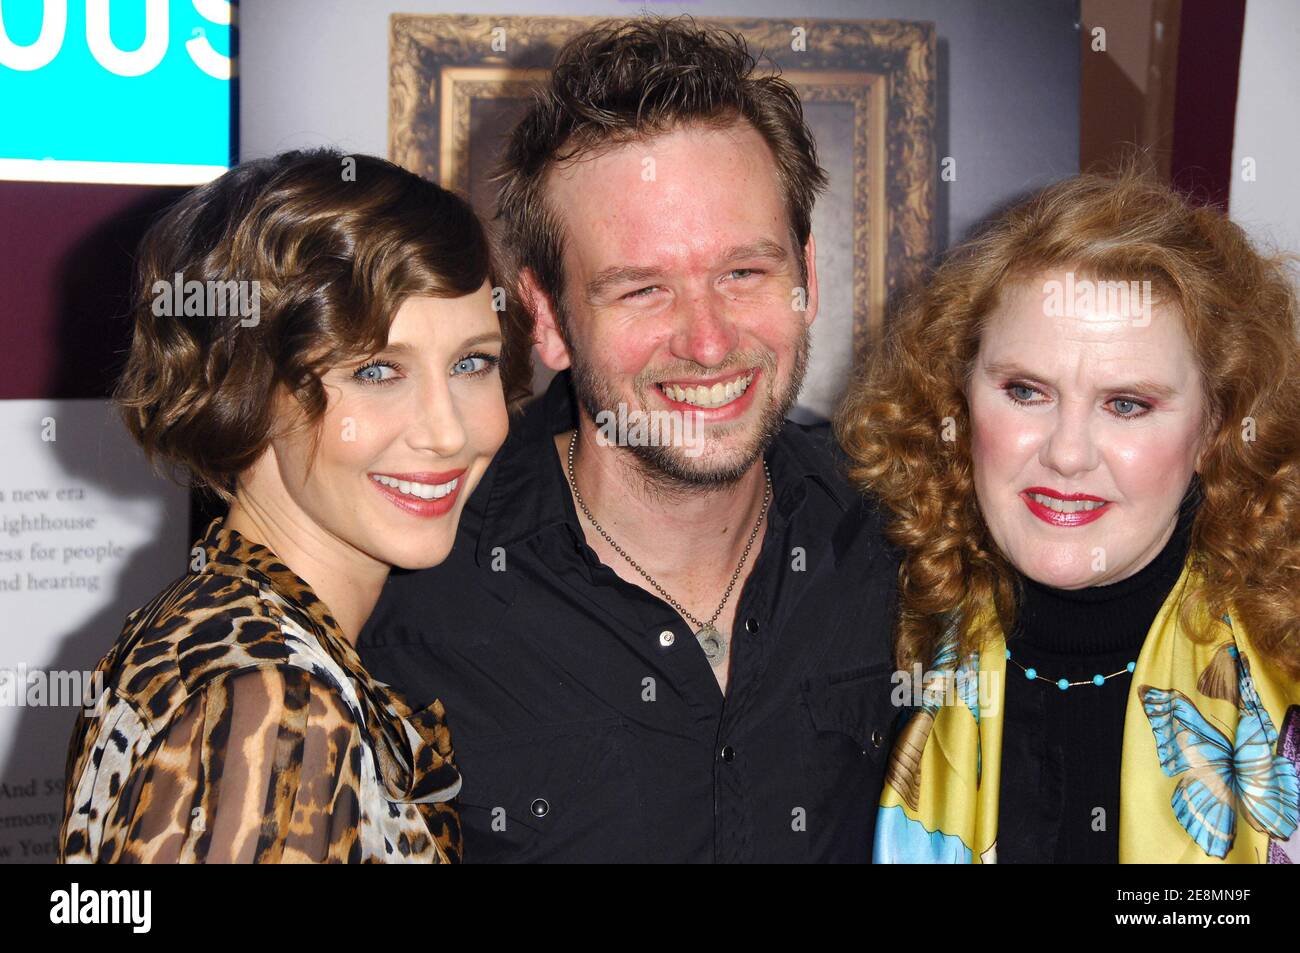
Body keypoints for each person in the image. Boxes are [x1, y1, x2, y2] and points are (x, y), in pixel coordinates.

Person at [356, 17, 901, 862]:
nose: (709, 341)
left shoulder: (901, 536)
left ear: (807, 278)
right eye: (642, 289)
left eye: (744, 273)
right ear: (549, 319)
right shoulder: (406, 605)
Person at [58, 149, 532, 863]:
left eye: (472, 362)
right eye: (377, 371)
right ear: (241, 391)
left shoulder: (207, 629)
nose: (447, 430)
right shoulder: (277, 704)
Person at [836, 168, 1300, 863]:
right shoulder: (871, 640)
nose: (1068, 453)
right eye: (1026, 391)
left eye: (1126, 404)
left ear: (1216, 430)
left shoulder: (1284, 662)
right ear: (957, 404)